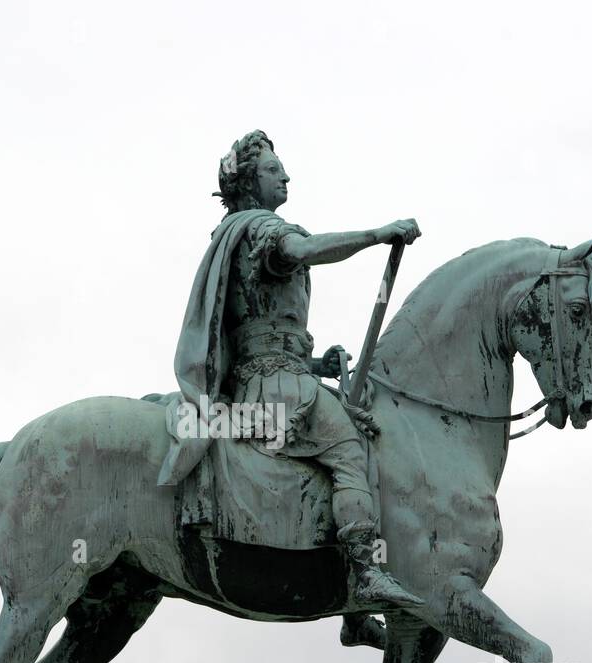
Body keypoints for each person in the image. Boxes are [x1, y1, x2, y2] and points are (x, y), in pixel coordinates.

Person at [158, 129, 423, 608]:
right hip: (274, 387)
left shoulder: (232, 236)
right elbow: (302, 251)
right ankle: (364, 572)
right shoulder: (261, 228)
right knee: (351, 448)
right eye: (273, 171)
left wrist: (317, 363)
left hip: (274, 375)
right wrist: (376, 235)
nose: (285, 178)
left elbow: (254, 332)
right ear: (248, 183)